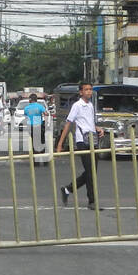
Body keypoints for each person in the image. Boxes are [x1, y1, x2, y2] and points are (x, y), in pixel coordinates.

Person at [56, 82, 105, 211]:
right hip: (82, 141)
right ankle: (92, 201)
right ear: (81, 92)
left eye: (90, 89)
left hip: (93, 140)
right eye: (86, 90)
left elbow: (89, 122)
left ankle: (68, 189)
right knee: (90, 171)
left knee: (92, 171)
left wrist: (98, 128)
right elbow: (68, 123)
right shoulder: (77, 105)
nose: (89, 92)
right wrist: (60, 143)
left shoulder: (90, 106)